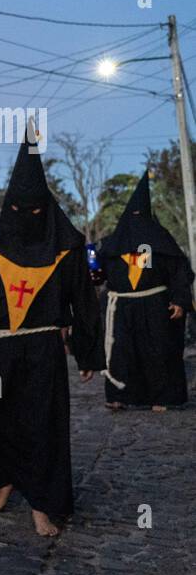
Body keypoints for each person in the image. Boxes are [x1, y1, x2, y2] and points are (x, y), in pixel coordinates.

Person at [0, 129, 104, 537]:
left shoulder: (67, 245)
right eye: (17, 208)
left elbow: (83, 302)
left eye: (33, 210)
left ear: (46, 206)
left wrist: (87, 354)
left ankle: (41, 500)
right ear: (8, 204)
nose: (25, 215)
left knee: (41, 422)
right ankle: (1, 480)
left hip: (42, 349)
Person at [98, 170, 192, 411]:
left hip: (155, 306)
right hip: (121, 307)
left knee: (158, 352)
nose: (137, 221)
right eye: (134, 216)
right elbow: (100, 274)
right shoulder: (112, 244)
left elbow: (180, 272)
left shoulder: (160, 241)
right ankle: (119, 395)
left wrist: (180, 300)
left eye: (142, 216)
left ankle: (161, 397)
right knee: (120, 352)